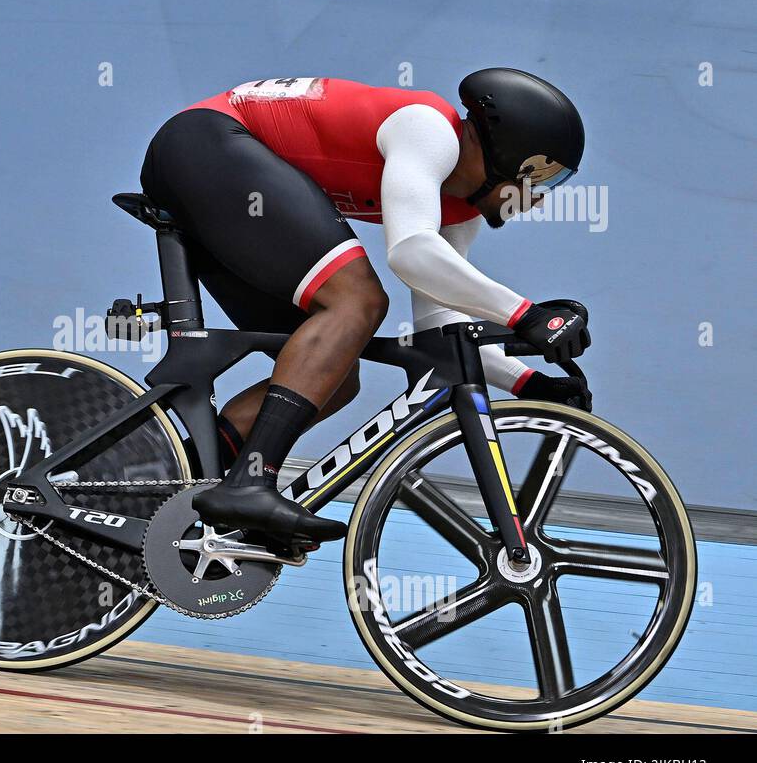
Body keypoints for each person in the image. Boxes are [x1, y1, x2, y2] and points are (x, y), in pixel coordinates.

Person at [140, 69, 590, 548]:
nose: (540, 197)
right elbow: (411, 252)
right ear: (508, 153)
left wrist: (530, 383)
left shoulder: (459, 212)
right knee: (358, 300)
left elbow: (442, 326)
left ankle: (160, 479)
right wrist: (526, 315)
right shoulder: (429, 130)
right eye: (543, 177)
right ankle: (250, 486)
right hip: (205, 141)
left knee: (332, 375)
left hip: (216, 171)